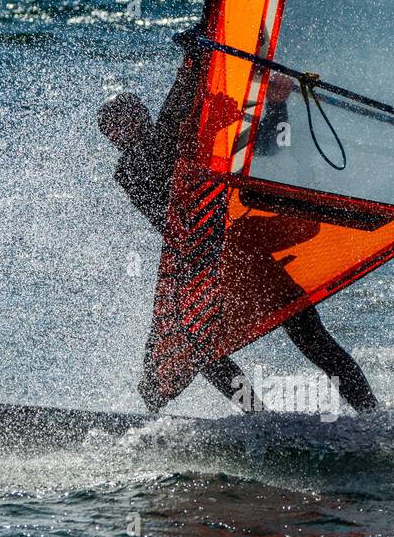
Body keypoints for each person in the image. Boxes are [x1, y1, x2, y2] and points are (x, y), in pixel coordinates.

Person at [98, 35, 378, 415]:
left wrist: (276, 104)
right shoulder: (131, 168)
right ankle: (258, 416)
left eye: (133, 114)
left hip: (240, 252)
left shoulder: (192, 139)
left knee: (309, 336)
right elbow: (165, 137)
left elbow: (265, 148)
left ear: (143, 115)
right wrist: (193, 63)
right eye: (119, 125)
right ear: (113, 138)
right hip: (202, 264)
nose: (130, 125)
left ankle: (371, 412)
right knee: (180, 361)